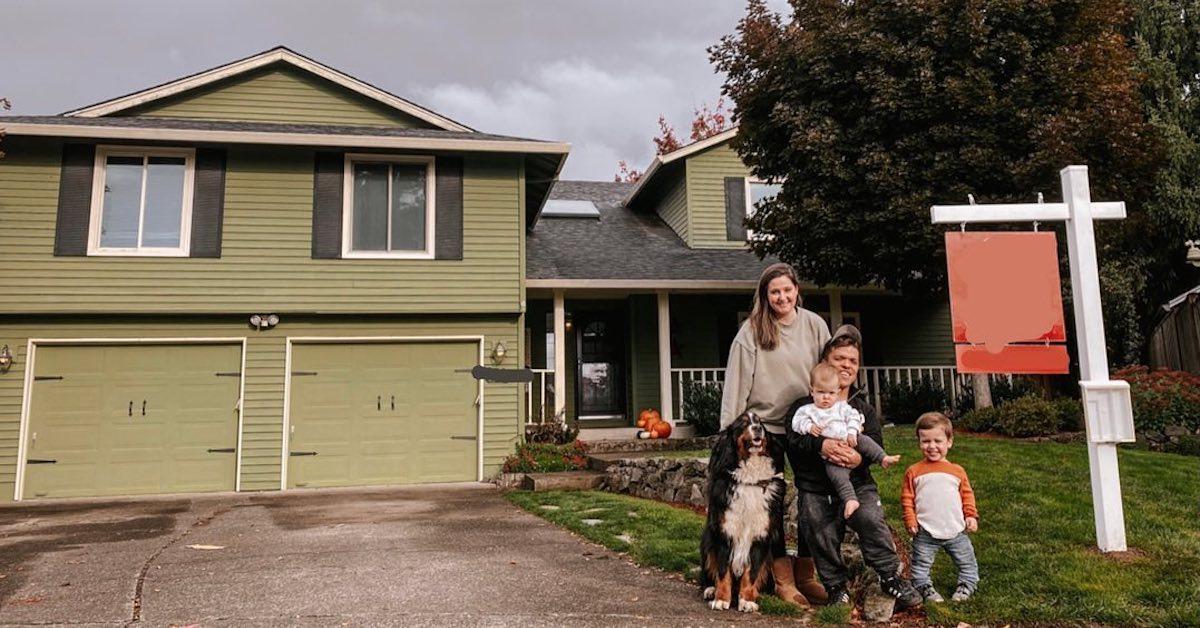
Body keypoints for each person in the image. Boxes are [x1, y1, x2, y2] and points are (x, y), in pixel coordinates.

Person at [786, 325, 921, 608]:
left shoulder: (862, 409)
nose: (846, 365)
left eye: (853, 361)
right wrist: (821, 445)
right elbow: (793, 442)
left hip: (857, 483)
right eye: (840, 359)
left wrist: (859, 458)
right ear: (826, 362)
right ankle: (836, 587)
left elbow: (873, 441)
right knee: (816, 524)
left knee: (871, 518)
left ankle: (890, 577)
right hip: (816, 485)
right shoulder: (804, 406)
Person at [718, 262, 830, 606]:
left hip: (808, 426)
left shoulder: (814, 324)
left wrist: (837, 414)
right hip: (766, 432)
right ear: (765, 296)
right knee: (772, 507)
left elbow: (829, 373)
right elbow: (736, 383)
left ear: (797, 289)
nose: (782, 297)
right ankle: (782, 580)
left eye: (787, 289)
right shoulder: (751, 330)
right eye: (774, 292)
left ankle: (807, 575)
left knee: (814, 500)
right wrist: (727, 431)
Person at [791, 363, 901, 520]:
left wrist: (852, 432)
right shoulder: (807, 410)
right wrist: (808, 427)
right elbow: (796, 422)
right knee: (836, 475)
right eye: (820, 392)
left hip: (849, 439)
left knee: (865, 441)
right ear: (812, 391)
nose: (825, 397)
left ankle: (882, 457)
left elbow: (854, 417)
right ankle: (850, 500)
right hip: (831, 456)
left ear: (837, 393)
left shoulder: (842, 407)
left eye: (830, 393)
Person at [901, 412, 980, 603]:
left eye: (938, 441)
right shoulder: (914, 471)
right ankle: (924, 587)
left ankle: (966, 585)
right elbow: (907, 498)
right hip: (925, 531)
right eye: (926, 441)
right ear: (919, 442)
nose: (932, 446)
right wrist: (910, 519)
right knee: (920, 565)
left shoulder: (957, 471)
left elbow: (967, 495)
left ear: (949, 442)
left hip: (956, 529)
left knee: (967, 562)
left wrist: (971, 515)